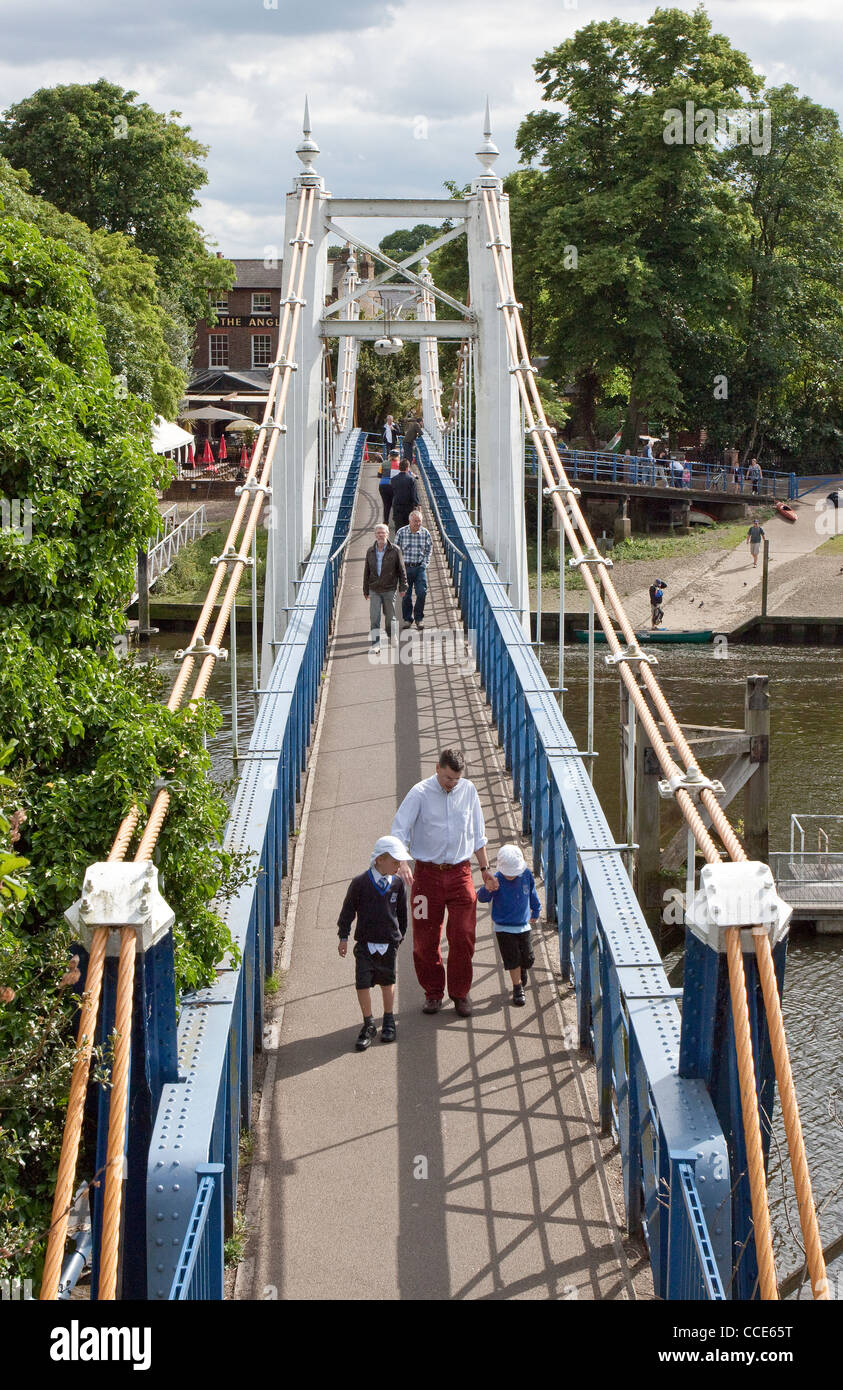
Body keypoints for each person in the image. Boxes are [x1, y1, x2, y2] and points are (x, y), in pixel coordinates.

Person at [391, 748, 497, 1017]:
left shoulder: (468, 790)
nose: (452, 784)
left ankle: (460, 993)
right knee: (425, 940)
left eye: (456, 779)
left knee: (463, 935)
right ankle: (433, 993)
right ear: (437, 769)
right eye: (448, 778)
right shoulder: (419, 793)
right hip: (426, 876)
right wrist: (402, 862)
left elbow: (477, 833)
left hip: (461, 874)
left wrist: (484, 869)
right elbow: (399, 830)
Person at [337, 835, 411, 1050]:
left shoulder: (397, 884)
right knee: (362, 983)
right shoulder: (360, 883)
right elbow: (348, 912)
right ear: (380, 860)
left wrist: (399, 937)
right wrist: (344, 937)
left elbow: (402, 915)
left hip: (388, 943)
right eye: (395, 861)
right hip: (365, 944)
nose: (399, 865)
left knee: (387, 982)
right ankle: (368, 1023)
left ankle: (388, 1019)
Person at [476, 844, 541, 1007]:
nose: (511, 876)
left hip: (523, 925)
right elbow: (482, 898)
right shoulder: (496, 878)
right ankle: (517, 988)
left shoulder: (526, 875)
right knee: (512, 959)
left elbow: (532, 892)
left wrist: (536, 909)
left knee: (528, 958)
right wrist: (487, 888)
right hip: (503, 927)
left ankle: (522, 968)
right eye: (508, 873)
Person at [363, 524, 407, 648]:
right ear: (375, 535)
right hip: (374, 589)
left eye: (383, 533)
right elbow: (367, 571)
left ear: (387, 534)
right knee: (374, 617)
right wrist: (365, 590)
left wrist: (403, 586)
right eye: (378, 533)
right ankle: (375, 643)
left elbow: (401, 570)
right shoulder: (370, 551)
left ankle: (392, 635)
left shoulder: (395, 550)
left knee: (390, 617)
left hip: (389, 588)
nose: (381, 535)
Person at [395, 508, 432, 630]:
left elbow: (428, 550)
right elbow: (396, 551)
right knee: (406, 595)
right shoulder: (401, 532)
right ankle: (407, 619)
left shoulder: (425, 533)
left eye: (420, 521)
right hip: (405, 568)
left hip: (419, 567)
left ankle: (419, 618)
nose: (418, 524)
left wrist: (424, 564)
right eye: (415, 521)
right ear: (409, 521)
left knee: (422, 593)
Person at [390, 458, 420, 531]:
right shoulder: (411, 479)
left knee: (398, 528)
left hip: (397, 507)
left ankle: (398, 542)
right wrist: (418, 505)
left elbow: (393, 493)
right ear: (407, 467)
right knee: (409, 528)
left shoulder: (393, 479)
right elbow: (414, 495)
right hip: (408, 507)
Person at [378, 448, 399, 525]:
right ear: (398, 456)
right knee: (396, 504)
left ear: (389, 455)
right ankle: (396, 520)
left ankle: (385, 522)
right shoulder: (400, 464)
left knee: (386, 504)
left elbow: (379, 475)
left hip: (383, 485)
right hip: (394, 486)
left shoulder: (384, 463)